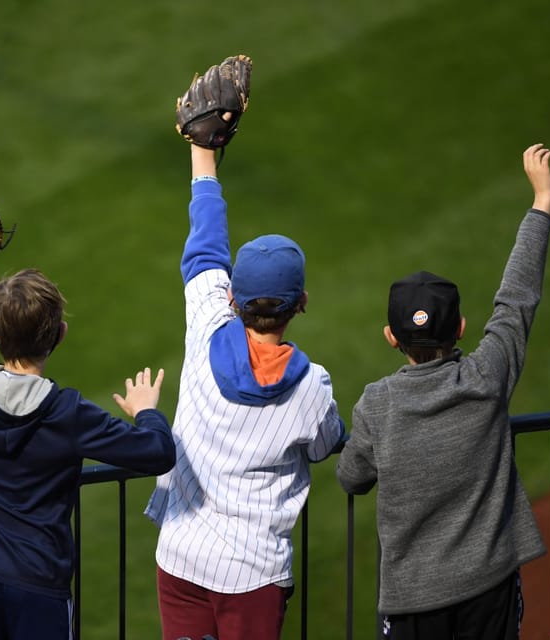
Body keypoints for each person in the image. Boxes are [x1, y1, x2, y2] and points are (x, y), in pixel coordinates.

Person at [336, 144, 550, 640]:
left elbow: (351, 478)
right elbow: (518, 298)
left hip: (414, 607)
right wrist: (541, 200)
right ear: (460, 327)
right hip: (489, 587)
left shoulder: (378, 403)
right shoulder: (488, 375)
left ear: (391, 337)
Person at [144, 140, 345, 640]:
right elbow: (325, 445)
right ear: (300, 304)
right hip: (253, 574)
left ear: (233, 296)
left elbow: (205, 244)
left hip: (181, 558)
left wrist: (202, 152)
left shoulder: (207, 322)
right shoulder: (312, 388)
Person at [0, 255, 176, 640]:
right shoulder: (68, 413)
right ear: (60, 334)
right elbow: (157, 453)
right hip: (39, 588)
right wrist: (146, 412)